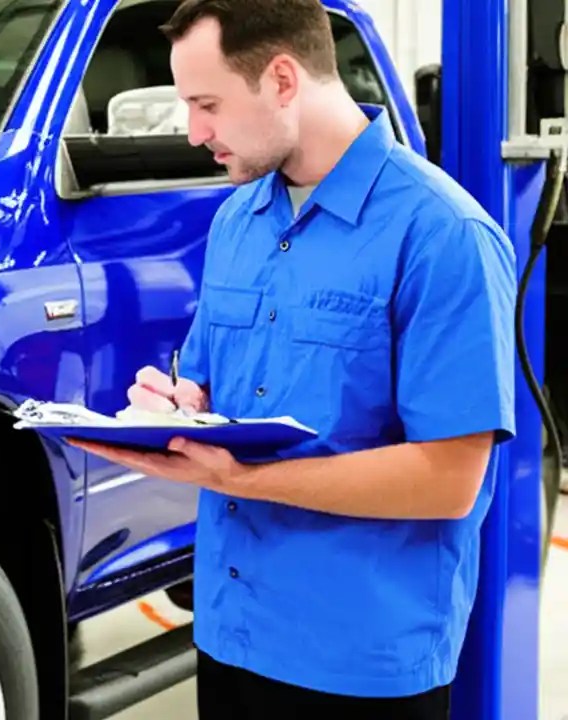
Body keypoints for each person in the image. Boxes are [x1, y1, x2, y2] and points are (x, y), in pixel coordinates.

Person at [67, 1, 517, 718]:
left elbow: (449, 479)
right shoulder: (237, 221)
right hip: (232, 633)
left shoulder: (443, 234)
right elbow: (214, 388)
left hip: (358, 663)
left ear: (281, 78)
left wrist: (245, 475)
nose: (194, 133)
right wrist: (179, 410)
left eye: (207, 103)